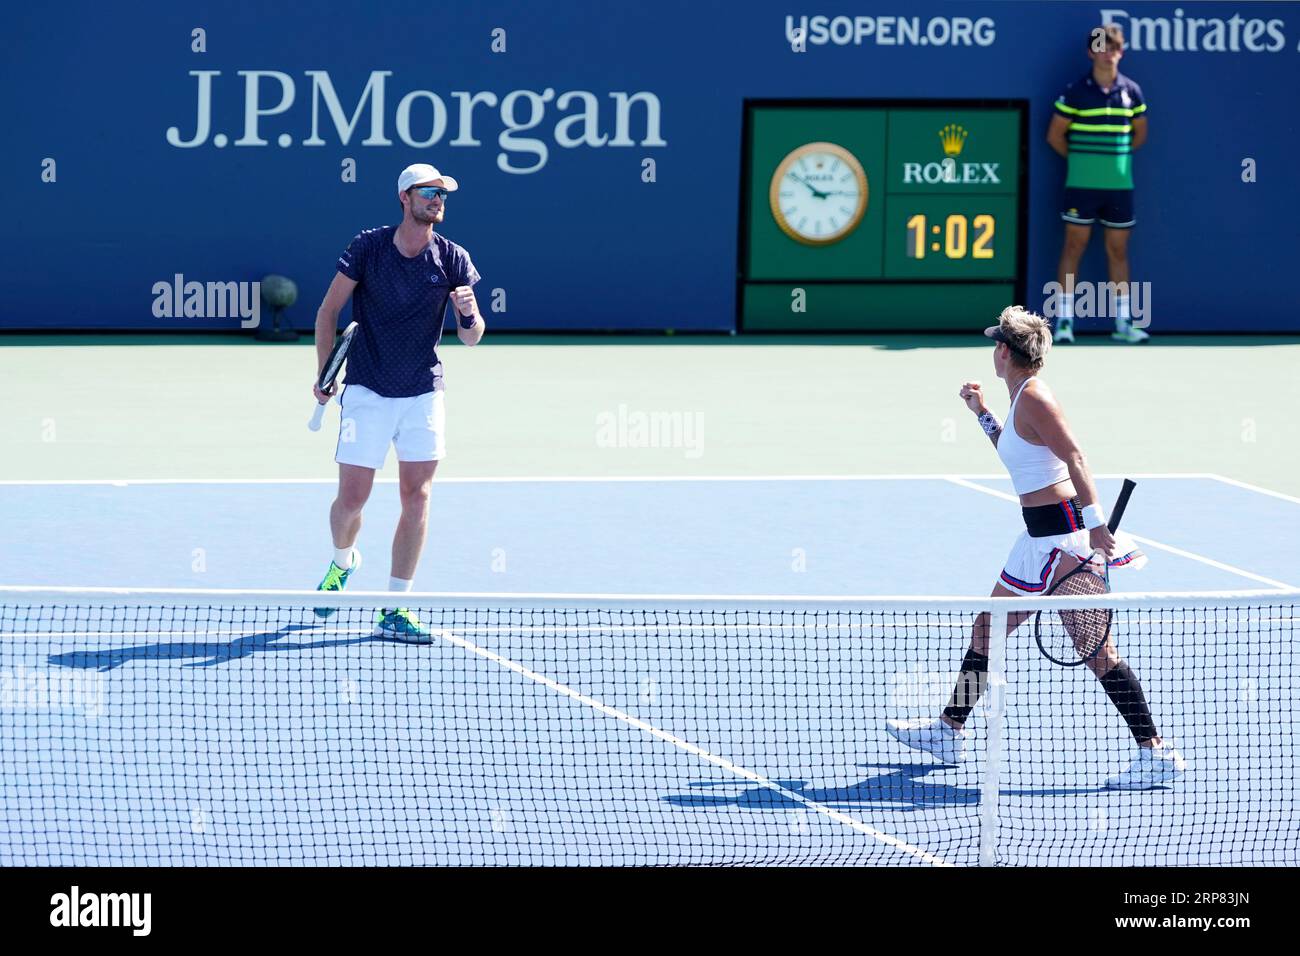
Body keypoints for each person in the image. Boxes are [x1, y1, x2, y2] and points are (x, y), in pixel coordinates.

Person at [886, 306, 1185, 790]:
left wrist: (1095, 525)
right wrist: (981, 414)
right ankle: (948, 731)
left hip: (1068, 543)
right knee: (987, 630)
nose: (992, 351)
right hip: (1036, 543)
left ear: (1005, 351)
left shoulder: (1038, 399)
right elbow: (1017, 455)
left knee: (1097, 653)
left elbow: (1075, 456)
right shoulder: (1017, 398)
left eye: (994, 344)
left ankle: (1155, 753)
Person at [310, 162, 485, 641]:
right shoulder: (367, 247)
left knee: (418, 495)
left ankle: (395, 605)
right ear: (405, 197)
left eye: (443, 194)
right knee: (352, 500)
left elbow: (472, 338)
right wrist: (326, 371)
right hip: (366, 389)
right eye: (429, 193)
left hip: (423, 393)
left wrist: (469, 317)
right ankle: (342, 561)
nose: (438, 200)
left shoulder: (452, 259)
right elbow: (328, 311)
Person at [1047, 24, 1149, 344]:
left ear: (1122, 52)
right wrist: (1083, 162)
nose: (1108, 54)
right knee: (1073, 247)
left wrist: (1111, 163)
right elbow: (1054, 136)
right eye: (1102, 48)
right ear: (1091, 53)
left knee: (1118, 250)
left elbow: (1139, 134)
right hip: (1081, 186)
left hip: (1119, 187)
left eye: (1114, 48)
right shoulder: (1076, 92)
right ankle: (1064, 322)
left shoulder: (1131, 92)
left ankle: (1122, 323)